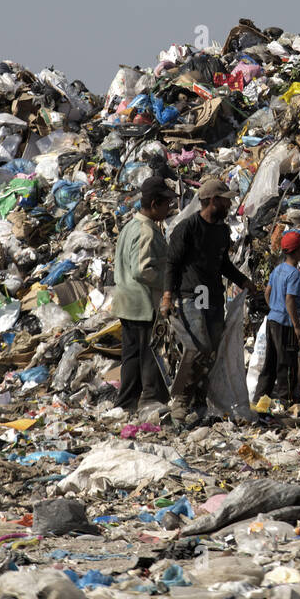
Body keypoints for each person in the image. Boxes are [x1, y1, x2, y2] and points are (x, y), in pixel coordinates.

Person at [162, 177, 258, 422]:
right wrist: (167, 296)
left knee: (211, 350)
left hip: (213, 297)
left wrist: (242, 281)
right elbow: (172, 263)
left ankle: (199, 400)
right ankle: (180, 399)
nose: (228, 206)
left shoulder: (222, 230)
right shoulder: (187, 228)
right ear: (212, 200)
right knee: (198, 346)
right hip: (191, 295)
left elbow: (223, 264)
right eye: (225, 202)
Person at [111, 176, 176, 419]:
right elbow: (142, 269)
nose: (169, 209)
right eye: (166, 204)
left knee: (131, 356)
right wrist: (168, 283)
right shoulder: (147, 230)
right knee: (150, 354)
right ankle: (150, 400)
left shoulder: (130, 226)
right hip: (142, 303)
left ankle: (125, 403)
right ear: (155, 203)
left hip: (127, 302)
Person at [256, 231, 300, 408]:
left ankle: (260, 399)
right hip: (286, 324)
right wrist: (297, 326)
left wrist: (273, 309)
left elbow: (267, 292)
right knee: (288, 363)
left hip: (272, 320)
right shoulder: (294, 274)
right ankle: (288, 400)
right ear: (297, 251)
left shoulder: (278, 270)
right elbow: (290, 299)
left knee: (270, 361)